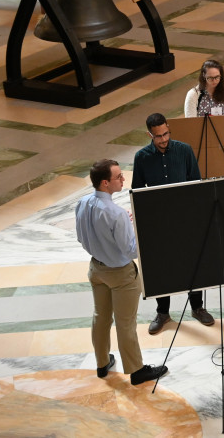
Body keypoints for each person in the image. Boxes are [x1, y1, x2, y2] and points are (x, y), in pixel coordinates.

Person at [76, 159, 168, 385]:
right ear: (105, 183)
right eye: (118, 177)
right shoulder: (116, 214)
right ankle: (136, 371)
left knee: (101, 317)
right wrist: (135, 227)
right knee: (125, 323)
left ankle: (101, 364)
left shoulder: (83, 203)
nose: (123, 179)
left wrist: (119, 228)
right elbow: (131, 250)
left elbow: (81, 236)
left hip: (96, 269)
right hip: (120, 275)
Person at [132, 113, 213, 335]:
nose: (164, 139)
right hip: (159, 221)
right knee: (161, 266)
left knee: (193, 262)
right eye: (158, 136)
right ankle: (163, 312)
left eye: (166, 133)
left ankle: (197, 307)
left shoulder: (185, 150)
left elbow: (196, 184)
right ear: (150, 134)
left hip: (186, 217)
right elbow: (138, 191)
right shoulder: (141, 157)